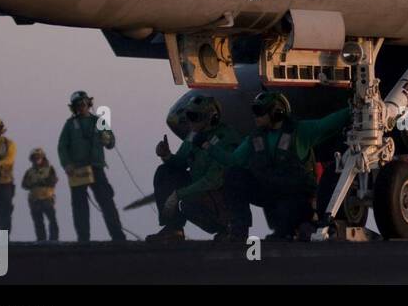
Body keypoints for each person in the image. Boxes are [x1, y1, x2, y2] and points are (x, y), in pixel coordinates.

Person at [224, 92, 350, 241]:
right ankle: (240, 229)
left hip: (295, 195)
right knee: (234, 174)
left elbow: (328, 124)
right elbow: (232, 161)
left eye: (259, 111)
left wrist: (354, 109)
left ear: (277, 112)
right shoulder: (256, 138)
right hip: (269, 192)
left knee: (285, 227)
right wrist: (208, 146)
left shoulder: (301, 132)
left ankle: (304, 224)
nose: (255, 116)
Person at [146, 94, 241, 242]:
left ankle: (228, 227)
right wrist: (167, 156)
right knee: (165, 172)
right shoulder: (193, 136)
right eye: (188, 116)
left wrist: (179, 194)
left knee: (189, 204)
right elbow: (180, 163)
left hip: (217, 195)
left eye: (194, 117)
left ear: (211, 118)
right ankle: (173, 228)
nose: (189, 121)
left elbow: (213, 180)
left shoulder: (225, 138)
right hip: (200, 190)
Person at [57, 90, 125, 242]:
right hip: (77, 170)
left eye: (84, 103)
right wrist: (67, 164)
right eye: (78, 105)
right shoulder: (70, 125)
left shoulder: (98, 121)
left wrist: (107, 138)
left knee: (107, 202)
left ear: (89, 103)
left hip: (96, 167)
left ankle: (118, 237)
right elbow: (62, 147)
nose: (82, 106)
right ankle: (83, 239)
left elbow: (111, 143)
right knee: (79, 205)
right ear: (74, 107)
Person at [20, 147, 60, 241]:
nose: (37, 159)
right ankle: (41, 240)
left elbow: (53, 180)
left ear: (43, 157)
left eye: (38, 157)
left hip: (47, 198)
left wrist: (41, 182)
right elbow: (24, 184)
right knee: (38, 222)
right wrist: (34, 184)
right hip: (35, 200)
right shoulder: (29, 172)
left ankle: (54, 240)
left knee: (52, 220)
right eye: (35, 157)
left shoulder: (50, 169)